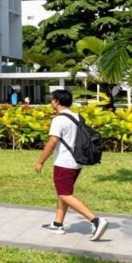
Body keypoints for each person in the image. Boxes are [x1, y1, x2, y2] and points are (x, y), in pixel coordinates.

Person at [35, 89, 108, 240]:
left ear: (56, 101)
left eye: (52, 100)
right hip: (76, 161)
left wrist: (41, 161)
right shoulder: (77, 116)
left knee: (64, 194)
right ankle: (57, 223)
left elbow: (52, 142)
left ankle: (96, 220)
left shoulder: (59, 120)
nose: (51, 102)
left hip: (64, 163)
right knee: (64, 192)